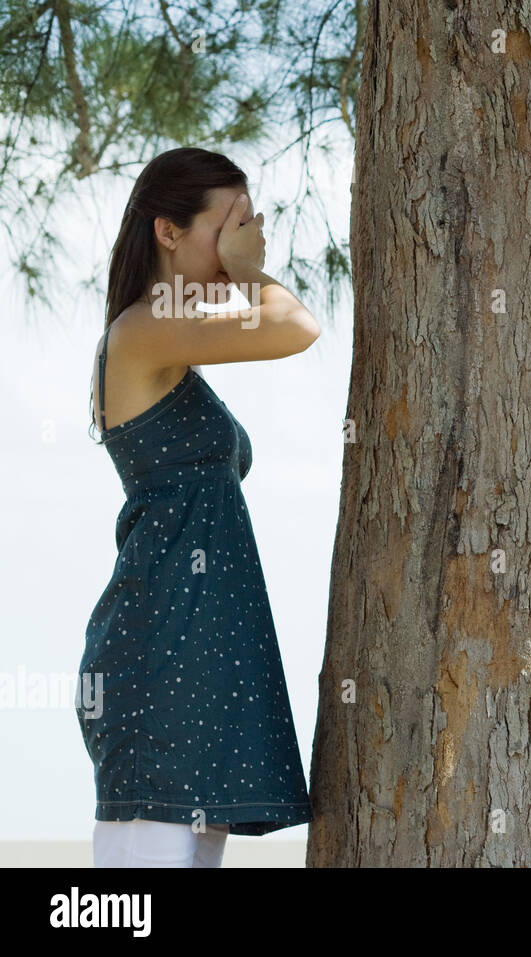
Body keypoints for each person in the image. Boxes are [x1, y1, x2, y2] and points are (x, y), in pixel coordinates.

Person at [76, 147, 320, 866]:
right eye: (232, 225)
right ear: (168, 231)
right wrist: (248, 268)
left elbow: (266, 317)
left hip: (202, 656)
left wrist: (237, 264)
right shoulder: (145, 326)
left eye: (254, 227)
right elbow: (294, 326)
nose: (249, 242)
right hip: (162, 656)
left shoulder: (170, 327)